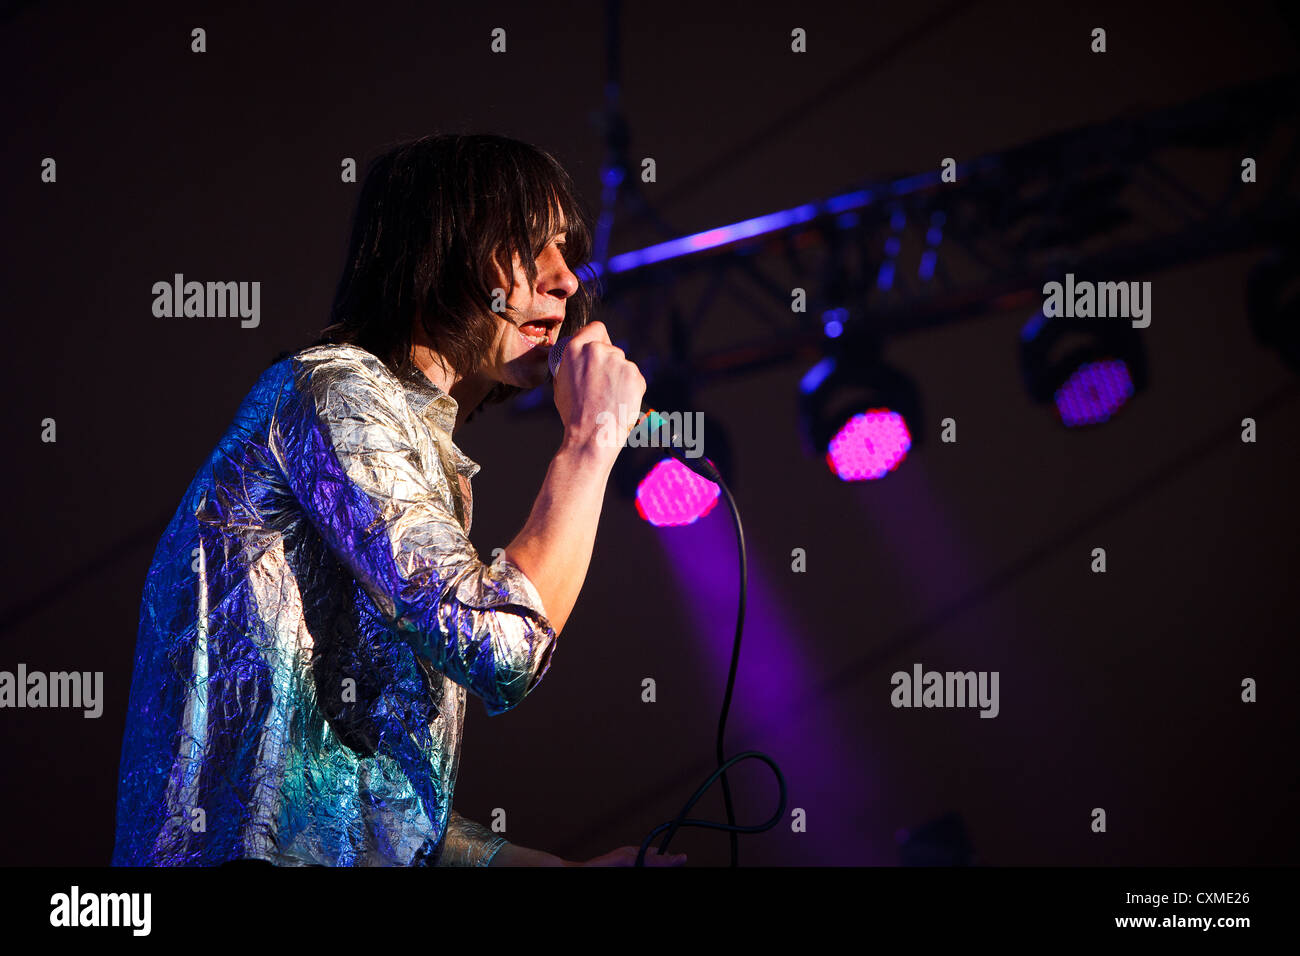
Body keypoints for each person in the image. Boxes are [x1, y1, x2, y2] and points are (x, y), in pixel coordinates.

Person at [111, 133, 686, 867]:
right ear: (438, 253)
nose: (566, 279)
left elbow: (372, 813)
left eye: (567, 251)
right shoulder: (337, 390)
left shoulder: (415, 450)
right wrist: (591, 443)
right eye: (526, 245)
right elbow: (499, 651)